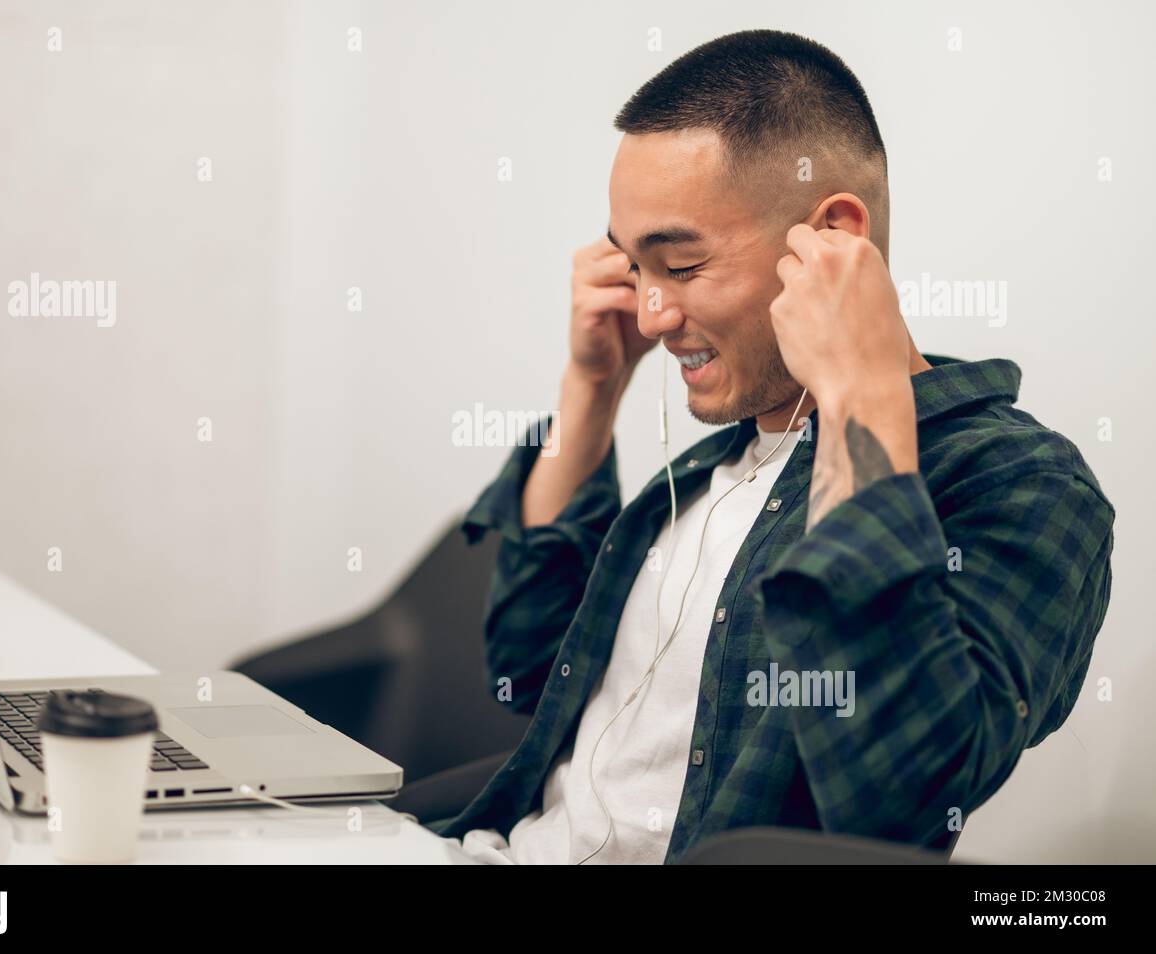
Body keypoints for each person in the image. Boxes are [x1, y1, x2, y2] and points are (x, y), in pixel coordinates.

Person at [430, 29, 1115, 864]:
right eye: (631, 267)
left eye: (679, 267)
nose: (649, 313)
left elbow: (901, 795)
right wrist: (591, 385)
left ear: (832, 240)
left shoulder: (1018, 482)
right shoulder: (711, 470)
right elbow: (530, 667)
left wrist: (858, 391)